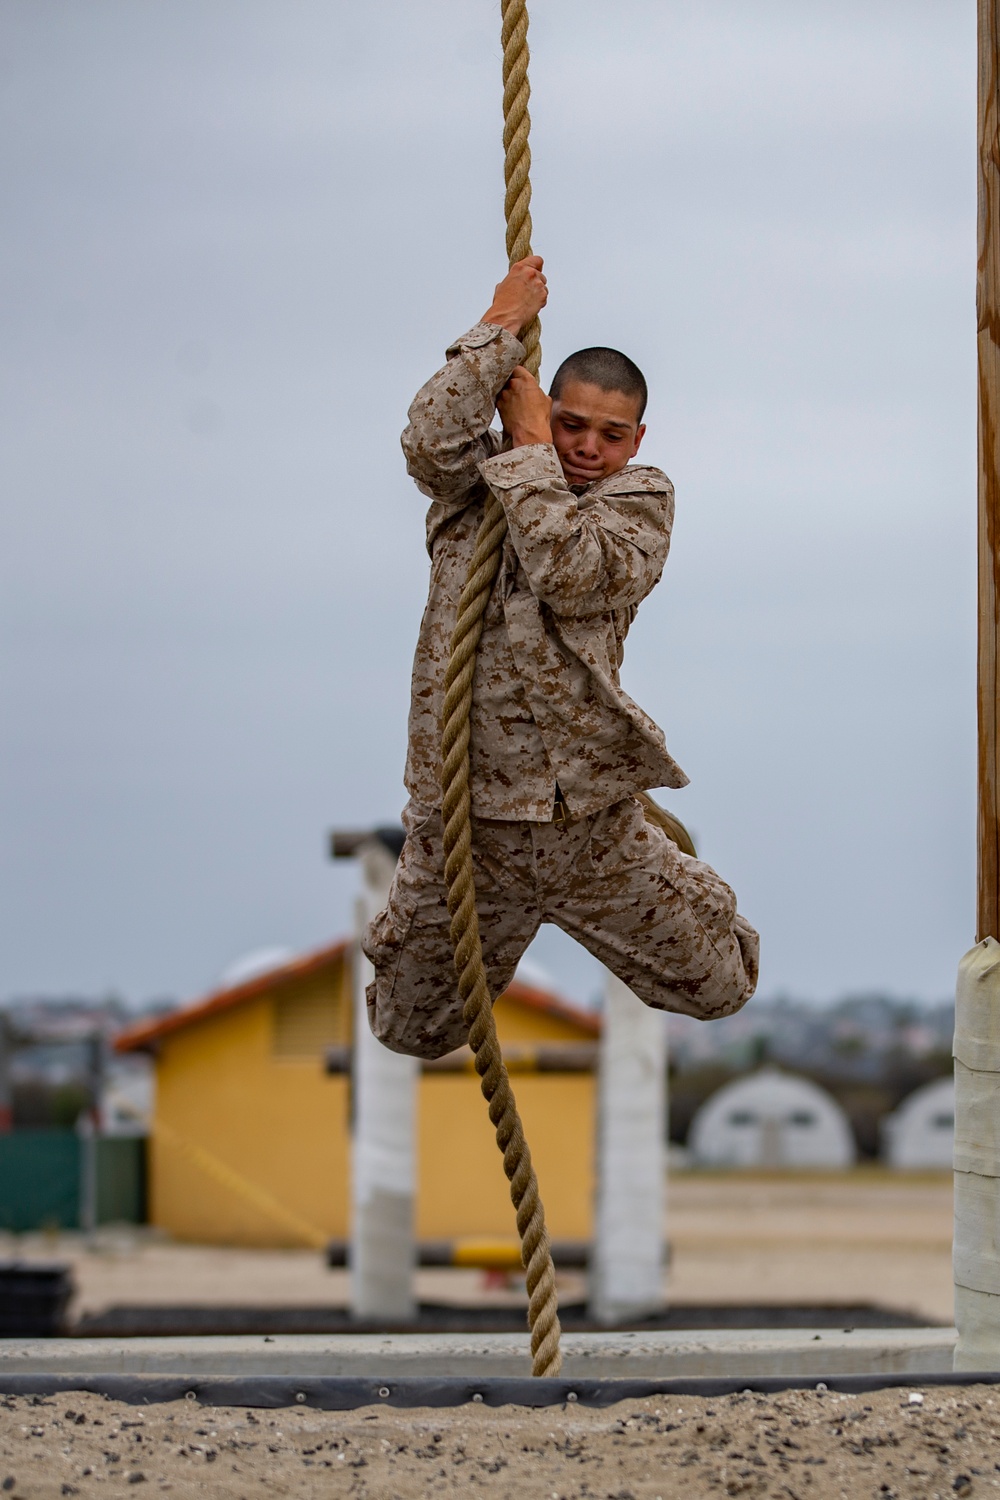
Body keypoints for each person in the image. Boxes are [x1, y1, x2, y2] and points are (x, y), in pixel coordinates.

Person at [364, 255, 758, 1059]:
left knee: (723, 982)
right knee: (408, 1029)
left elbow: (571, 573)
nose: (584, 448)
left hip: (590, 824)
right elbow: (427, 439)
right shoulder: (475, 485)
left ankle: (670, 854)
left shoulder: (639, 501)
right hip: (468, 826)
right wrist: (499, 325)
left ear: (637, 440)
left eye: (609, 435)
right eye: (570, 424)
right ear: (544, 409)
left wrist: (532, 446)